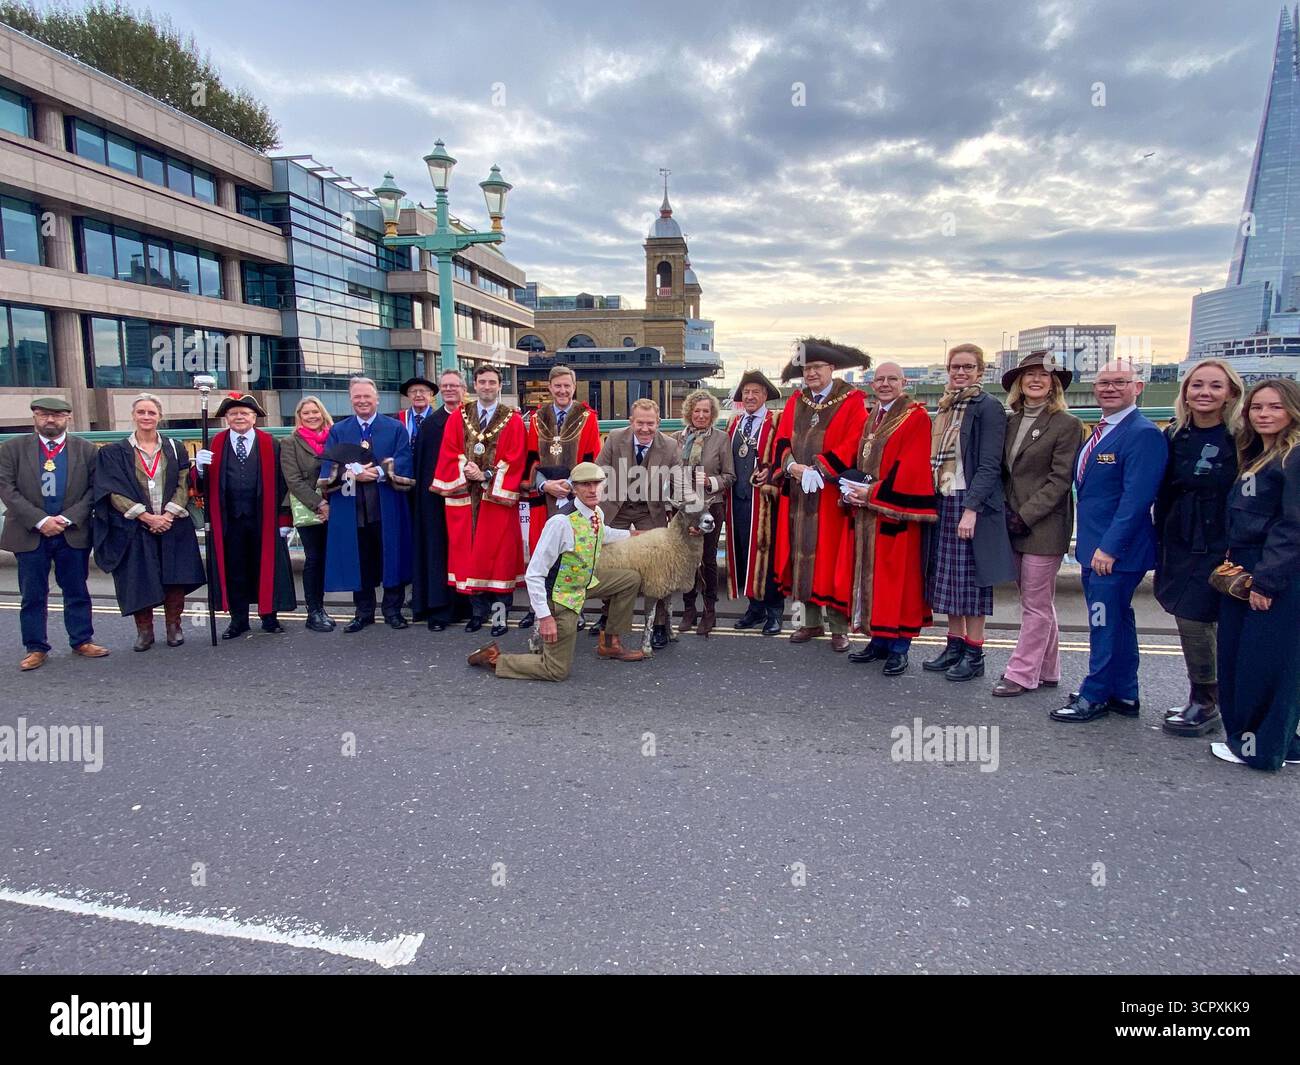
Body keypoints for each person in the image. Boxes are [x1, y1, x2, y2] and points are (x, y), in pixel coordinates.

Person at [1052, 360, 1168, 723]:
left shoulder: (1142, 433)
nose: (1110, 388)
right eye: (1103, 382)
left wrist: (1110, 548)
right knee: (1119, 620)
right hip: (1095, 546)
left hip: (1114, 552)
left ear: (1138, 387)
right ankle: (1124, 692)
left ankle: (1095, 693)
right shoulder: (1102, 430)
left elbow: (1137, 499)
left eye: (1120, 382)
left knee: (1102, 621)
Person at [467, 463, 647, 678]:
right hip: (561, 597)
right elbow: (534, 573)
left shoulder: (595, 511)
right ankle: (494, 658)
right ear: (574, 488)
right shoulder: (560, 522)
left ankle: (610, 643)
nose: (592, 489)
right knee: (556, 670)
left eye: (597, 484)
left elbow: (602, 533)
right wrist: (545, 617)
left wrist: (634, 535)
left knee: (630, 579)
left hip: (583, 583)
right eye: (585, 485)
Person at [1210, 379, 1300, 771]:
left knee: (1259, 663)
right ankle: (1281, 741)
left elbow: (1292, 526)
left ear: (1293, 411)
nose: (1264, 414)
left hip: (1272, 571)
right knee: (1249, 658)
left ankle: (1258, 749)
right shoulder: (1261, 454)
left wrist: (1267, 580)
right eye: (1257, 407)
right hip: (1249, 564)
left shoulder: (1293, 458)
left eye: (1275, 407)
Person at [1154, 358, 1243, 734]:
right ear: (1186, 392)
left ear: (1230, 394)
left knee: (1207, 622)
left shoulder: (1242, 437)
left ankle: (1209, 700)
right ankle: (1206, 696)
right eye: (1196, 385)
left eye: (1215, 386)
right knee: (1190, 618)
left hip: (1224, 543)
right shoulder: (1174, 434)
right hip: (1179, 540)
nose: (1204, 393)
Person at [992, 351, 1085, 696]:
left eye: (1044, 375)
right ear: (1020, 382)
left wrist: (1024, 515)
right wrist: (1004, 511)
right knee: (1038, 601)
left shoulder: (1067, 425)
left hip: (1044, 526)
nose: (1036, 379)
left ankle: (1021, 673)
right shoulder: (1011, 422)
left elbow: (1060, 480)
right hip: (1011, 520)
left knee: (1034, 603)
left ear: (1053, 385)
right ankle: (1048, 669)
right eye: (1029, 374)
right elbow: (1003, 473)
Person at [923, 343, 1016, 681]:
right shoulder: (946, 406)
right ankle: (954, 645)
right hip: (944, 497)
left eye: (967, 367)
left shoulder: (988, 407)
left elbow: (990, 464)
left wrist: (971, 509)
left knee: (972, 584)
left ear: (980, 371)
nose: (960, 373)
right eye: (954, 367)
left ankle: (974, 653)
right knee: (948, 580)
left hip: (969, 501)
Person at [774, 337, 870, 653]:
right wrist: (791, 467)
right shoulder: (796, 402)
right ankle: (809, 622)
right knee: (802, 559)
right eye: (807, 368)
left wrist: (821, 468)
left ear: (831, 368)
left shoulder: (852, 400)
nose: (811, 373)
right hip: (801, 494)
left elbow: (854, 442)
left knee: (833, 559)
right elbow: (782, 441)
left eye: (817, 367)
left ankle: (840, 628)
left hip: (831, 495)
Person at [841, 363, 937, 676]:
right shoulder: (874, 417)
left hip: (896, 512)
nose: (885, 384)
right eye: (879, 379)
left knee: (900, 582)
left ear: (903, 382)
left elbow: (910, 469)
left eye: (891, 379)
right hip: (871, 512)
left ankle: (900, 647)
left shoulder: (916, 416)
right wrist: (851, 488)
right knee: (875, 579)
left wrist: (870, 492)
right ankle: (879, 640)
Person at [0, 397, 109, 670]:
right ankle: (36, 647)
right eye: (44, 415)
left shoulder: (86, 450)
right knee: (33, 593)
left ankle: (81, 639)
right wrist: (40, 520)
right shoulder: (12, 448)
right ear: (35, 417)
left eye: (57, 415)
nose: (50, 420)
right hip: (29, 532)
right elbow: (6, 488)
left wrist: (67, 518)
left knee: (76, 589)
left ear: (68, 418)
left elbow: (94, 490)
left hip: (71, 531)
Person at [92, 393, 205, 651]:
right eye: (141, 412)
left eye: (151, 412)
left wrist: (167, 514)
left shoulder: (175, 447)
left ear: (159, 417)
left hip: (173, 522)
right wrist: (145, 515)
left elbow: (183, 481)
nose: (146, 417)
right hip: (135, 525)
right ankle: (144, 631)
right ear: (133, 415)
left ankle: (174, 627)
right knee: (138, 578)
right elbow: (110, 490)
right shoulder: (114, 452)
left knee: (175, 577)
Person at [432, 364, 526, 637]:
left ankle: (499, 616)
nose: (487, 386)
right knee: (470, 555)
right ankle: (477, 613)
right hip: (465, 495)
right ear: (474, 385)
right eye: (482, 382)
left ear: (500, 386)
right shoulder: (459, 415)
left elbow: (515, 457)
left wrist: (485, 473)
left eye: (492, 382)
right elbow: (449, 449)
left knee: (498, 556)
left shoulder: (512, 418)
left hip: (495, 497)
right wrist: (466, 467)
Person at [193, 393, 296, 639]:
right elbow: (200, 487)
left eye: (244, 413)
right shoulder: (215, 443)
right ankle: (238, 620)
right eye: (234, 413)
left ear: (254, 418)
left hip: (263, 519)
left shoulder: (271, 443)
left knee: (265, 568)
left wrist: (284, 520)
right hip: (229, 521)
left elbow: (283, 484)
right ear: (227, 418)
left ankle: (269, 617)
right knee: (234, 570)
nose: (239, 417)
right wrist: (198, 469)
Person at [321, 376, 415, 633]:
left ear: (377, 399)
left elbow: (404, 459)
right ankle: (363, 612)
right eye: (357, 397)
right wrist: (352, 474)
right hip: (352, 507)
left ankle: (392, 610)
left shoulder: (394, 428)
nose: (362, 401)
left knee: (391, 556)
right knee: (358, 559)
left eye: (367, 397)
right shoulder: (339, 430)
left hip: (386, 505)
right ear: (351, 400)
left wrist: (381, 472)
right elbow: (328, 465)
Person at [594, 397, 682, 648]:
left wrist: (693, 512)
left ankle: (659, 624)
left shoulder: (671, 446)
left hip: (649, 509)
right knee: (610, 560)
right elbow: (598, 472)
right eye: (640, 423)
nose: (645, 429)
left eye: (651, 423)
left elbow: (680, 484)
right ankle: (608, 617)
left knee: (658, 566)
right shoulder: (614, 438)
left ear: (659, 423)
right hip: (616, 508)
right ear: (631, 422)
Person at [520, 364, 602, 627]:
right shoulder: (536, 418)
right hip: (543, 496)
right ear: (550, 387)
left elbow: (591, 459)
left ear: (574, 387)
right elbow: (531, 458)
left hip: (573, 496)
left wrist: (569, 483)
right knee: (541, 552)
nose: (563, 390)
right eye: (558, 386)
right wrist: (544, 486)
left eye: (567, 386)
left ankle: (571, 611)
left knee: (571, 554)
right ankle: (539, 610)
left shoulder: (587, 417)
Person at [411, 369, 471, 631]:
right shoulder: (431, 424)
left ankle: (469, 605)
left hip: (469, 495)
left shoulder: (474, 419)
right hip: (437, 499)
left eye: (454, 386)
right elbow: (423, 466)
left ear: (463, 389)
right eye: (444, 386)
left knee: (466, 550)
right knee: (438, 552)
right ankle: (440, 609)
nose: (449, 390)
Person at [725, 370, 784, 635]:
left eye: (755, 392)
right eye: (746, 392)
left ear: (765, 396)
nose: (750, 396)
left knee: (766, 555)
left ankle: (774, 611)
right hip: (737, 500)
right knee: (743, 552)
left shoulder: (777, 422)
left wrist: (770, 472)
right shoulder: (734, 423)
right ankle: (755, 608)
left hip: (764, 502)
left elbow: (787, 456)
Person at [671, 389, 735, 636]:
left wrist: (710, 481)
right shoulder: (676, 438)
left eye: (705, 411)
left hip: (710, 505)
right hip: (683, 508)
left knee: (708, 559)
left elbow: (730, 476)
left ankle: (710, 611)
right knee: (687, 560)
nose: (700, 415)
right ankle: (689, 610)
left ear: (712, 414)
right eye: (696, 410)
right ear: (689, 412)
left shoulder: (721, 439)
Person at [281, 395, 335, 633]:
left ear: (322, 413)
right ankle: (313, 611)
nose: (312, 416)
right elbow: (293, 480)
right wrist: (320, 505)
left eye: (315, 412)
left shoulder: (334, 436)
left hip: (337, 504)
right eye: (306, 413)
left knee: (327, 559)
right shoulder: (290, 442)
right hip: (308, 507)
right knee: (314, 558)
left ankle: (323, 609)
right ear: (299, 418)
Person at [395, 376, 437, 445]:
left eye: (422, 391)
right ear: (408, 395)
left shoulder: (440, 419)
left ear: (431, 394)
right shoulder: (398, 419)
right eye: (413, 391)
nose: (418, 395)